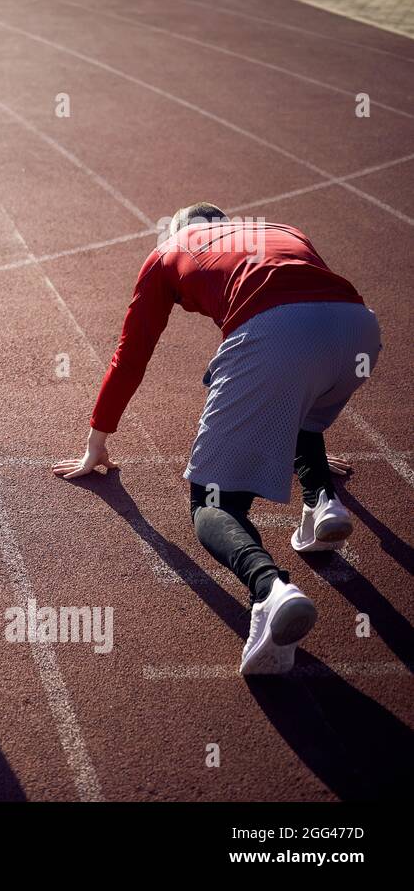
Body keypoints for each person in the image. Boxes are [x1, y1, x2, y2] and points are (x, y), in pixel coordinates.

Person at [54, 203, 380, 675]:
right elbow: (312, 306)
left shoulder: (169, 250)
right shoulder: (282, 228)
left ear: (181, 230)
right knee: (297, 405)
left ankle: (270, 590)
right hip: (358, 330)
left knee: (213, 502)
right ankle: (321, 501)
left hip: (275, 332)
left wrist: (97, 441)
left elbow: (132, 353)